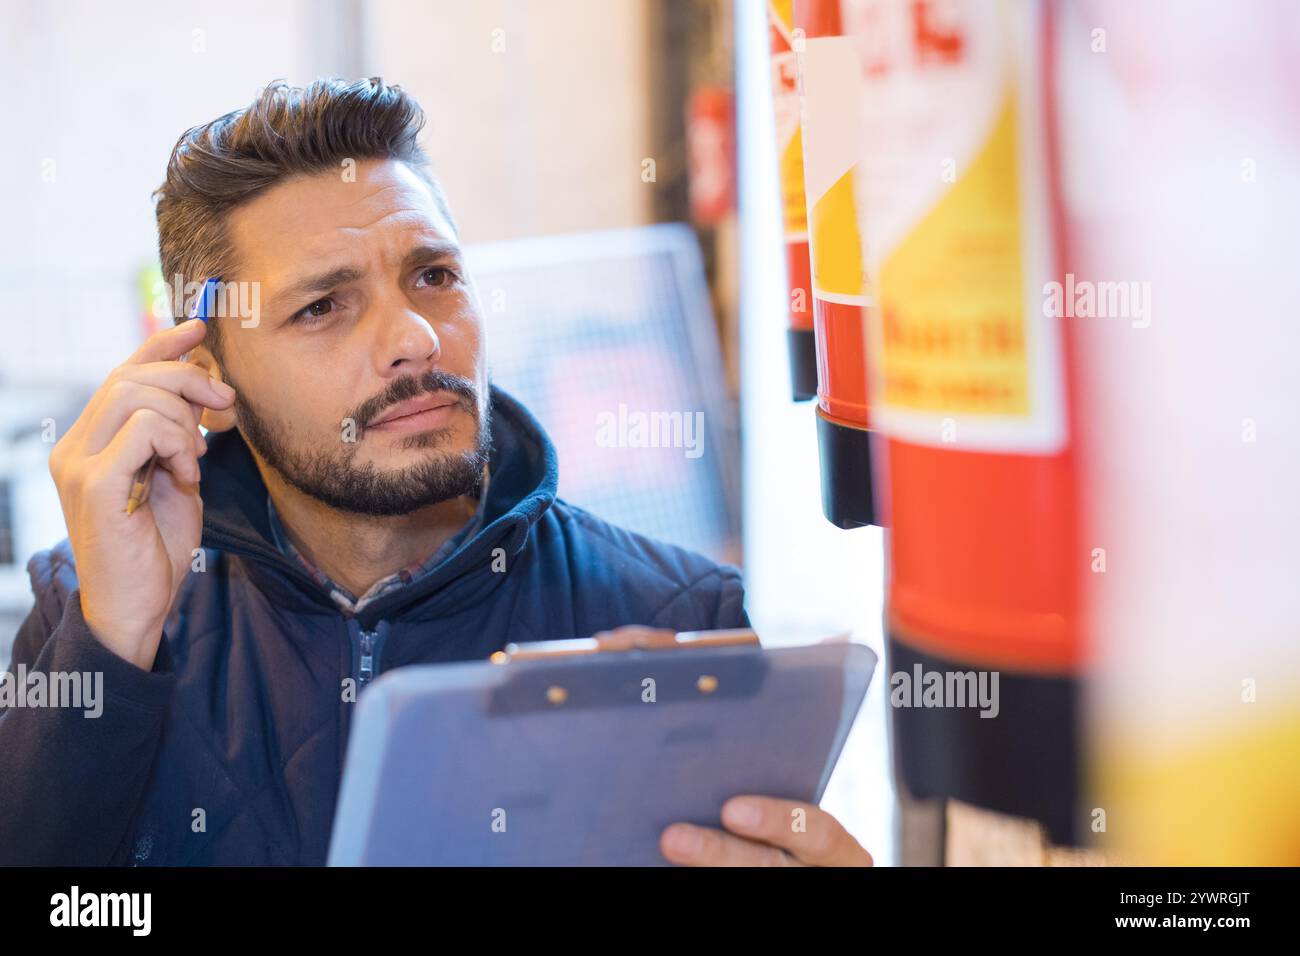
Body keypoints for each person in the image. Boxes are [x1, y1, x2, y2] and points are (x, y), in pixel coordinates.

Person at [0, 77, 871, 867]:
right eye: (322, 307)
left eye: (434, 274)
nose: (415, 337)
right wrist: (113, 639)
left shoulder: (679, 618)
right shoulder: (95, 617)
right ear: (210, 378)